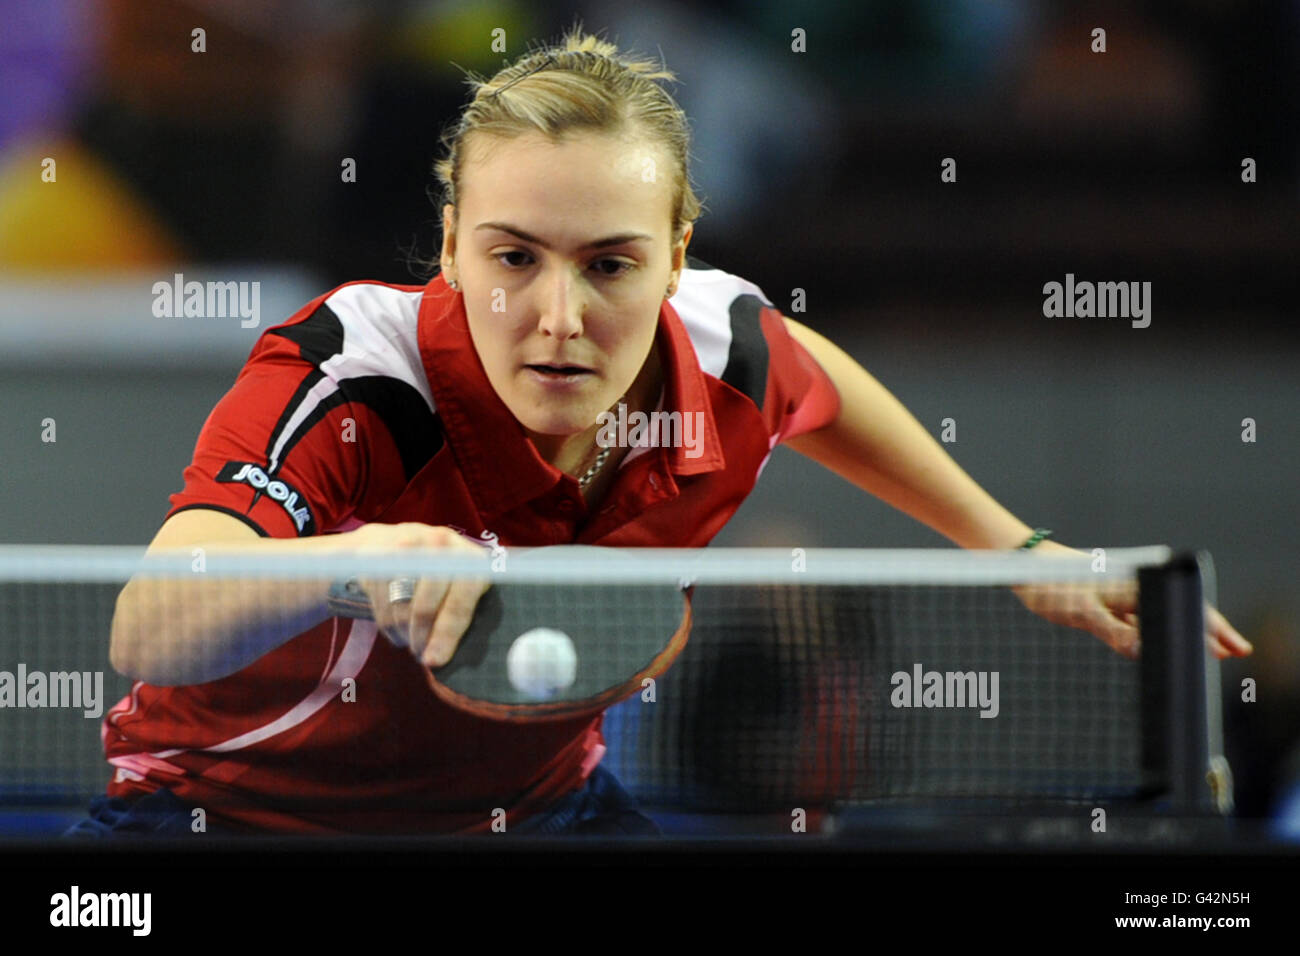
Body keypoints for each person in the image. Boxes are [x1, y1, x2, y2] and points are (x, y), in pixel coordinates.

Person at [74, 29, 1252, 838]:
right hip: (227, 811)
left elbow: (814, 381)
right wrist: (353, 561)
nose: (558, 316)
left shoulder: (717, 347)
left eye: (610, 265)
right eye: (512, 257)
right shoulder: (353, 380)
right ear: (448, 247)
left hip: (532, 811)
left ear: (677, 257)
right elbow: (149, 621)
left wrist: (1016, 548)